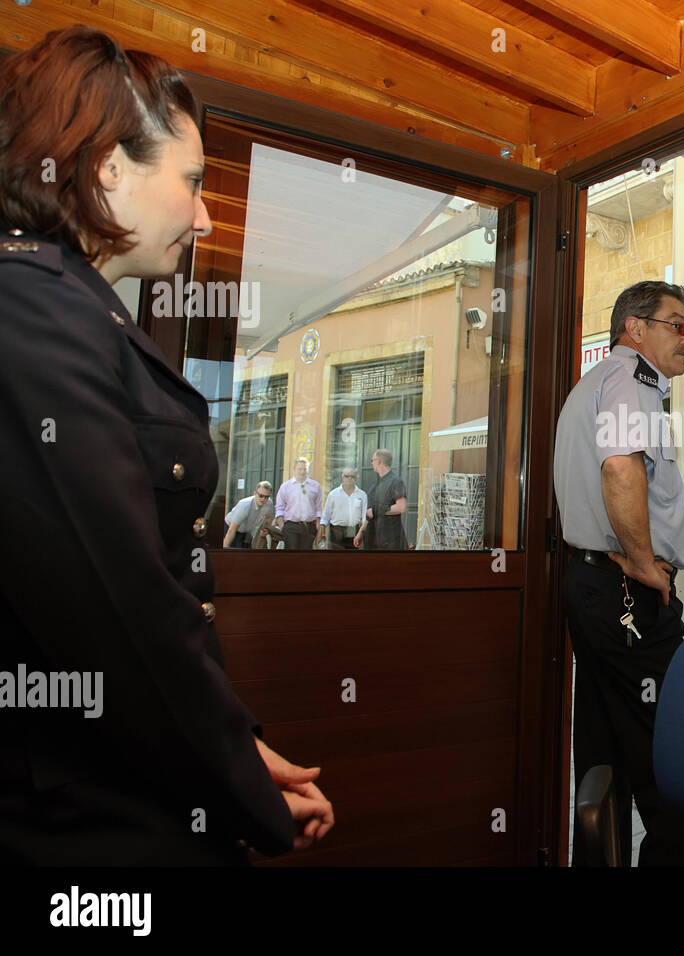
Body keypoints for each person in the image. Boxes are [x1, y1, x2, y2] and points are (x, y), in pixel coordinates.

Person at [0, 26, 331, 863]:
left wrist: (238, 743)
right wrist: (241, 780)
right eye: (190, 181)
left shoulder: (69, 304)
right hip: (79, 813)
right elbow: (117, 606)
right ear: (109, 166)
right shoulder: (35, 307)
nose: (206, 214)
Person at [554, 280, 684, 866]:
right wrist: (646, 565)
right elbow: (621, 468)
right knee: (682, 756)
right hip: (627, 593)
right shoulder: (632, 378)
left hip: (596, 586)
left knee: (604, 756)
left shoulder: (595, 382)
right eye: (677, 323)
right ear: (635, 328)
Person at [274, 457, 324, 550]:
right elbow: (279, 508)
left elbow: (318, 509)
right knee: (292, 556)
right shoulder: (286, 486)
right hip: (291, 526)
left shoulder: (315, 486)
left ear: (308, 470)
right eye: (299, 469)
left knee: (306, 556)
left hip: (309, 527)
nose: (302, 472)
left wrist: (318, 527)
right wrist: (282, 527)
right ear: (294, 469)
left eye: (304, 469)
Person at [364, 449, 408, 551]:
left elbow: (401, 507)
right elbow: (369, 513)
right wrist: (361, 532)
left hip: (390, 539)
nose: (371, 463)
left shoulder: (395, 482)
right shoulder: (375, 485)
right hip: (374, 538)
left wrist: (377, 511)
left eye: (372, 460)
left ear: (379, 461)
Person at [322, 468, 368, 550]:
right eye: (347, 476)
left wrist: (361, 533)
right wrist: (322, 532)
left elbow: (365, 517)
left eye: (352, 476)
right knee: (337, 559)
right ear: (342, 477)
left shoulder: (362, 495)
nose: (349, 478)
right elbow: (326, 516)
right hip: (337, 532)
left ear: (356, 478)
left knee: (353, 560)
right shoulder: (333, 494)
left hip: (354, 531)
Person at [223, 480, 276, 549]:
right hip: (231, 529)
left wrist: (265, 529)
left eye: (266, 497)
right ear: (255, 493)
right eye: (261, 496)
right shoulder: (245, 505)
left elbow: (268, 519)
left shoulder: (269, 504)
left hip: (248, 531)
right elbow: (231, 530)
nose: (263, 499)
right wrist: (224, 550)